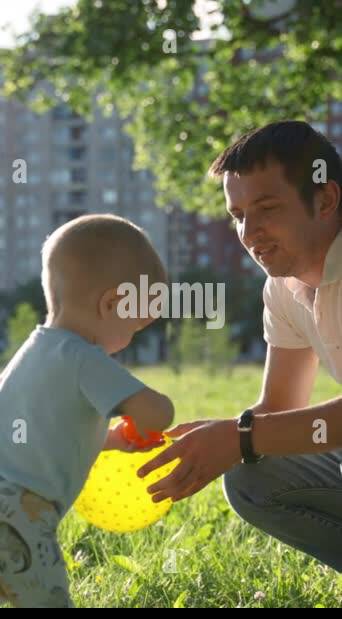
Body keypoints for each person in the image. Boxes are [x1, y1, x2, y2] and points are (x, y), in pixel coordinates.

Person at [139, 120, 342, 573]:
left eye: (267, 208)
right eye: (238, 216)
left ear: (325, 199)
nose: (249, 233)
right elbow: (278, 407)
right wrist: (216, 437)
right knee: (255, 473)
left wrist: (240, 436)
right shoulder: (282, 288)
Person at [0, 213, 174, 607]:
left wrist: (113, 439)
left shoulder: (33, 351)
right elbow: (156, 413)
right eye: (133, 329)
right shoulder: (85, 358)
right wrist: (157, 412)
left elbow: (52, 429)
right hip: (19, 516)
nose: (128, 342)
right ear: (111, 303)